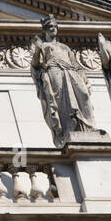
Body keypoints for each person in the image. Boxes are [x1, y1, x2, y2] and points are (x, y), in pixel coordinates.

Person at [31, 14, 100, 144]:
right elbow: (35, 65)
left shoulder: (65, 47)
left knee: (83, 95)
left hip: (70, 72)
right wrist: (37, 50)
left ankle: (87, 126)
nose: (53, 29)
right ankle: (68, 129)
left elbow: (75, 64)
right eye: (50, 26)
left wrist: (84, 78)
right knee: (61, 101)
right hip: (54, 73)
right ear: (45, 30)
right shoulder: (44, 46)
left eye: (55, 26)